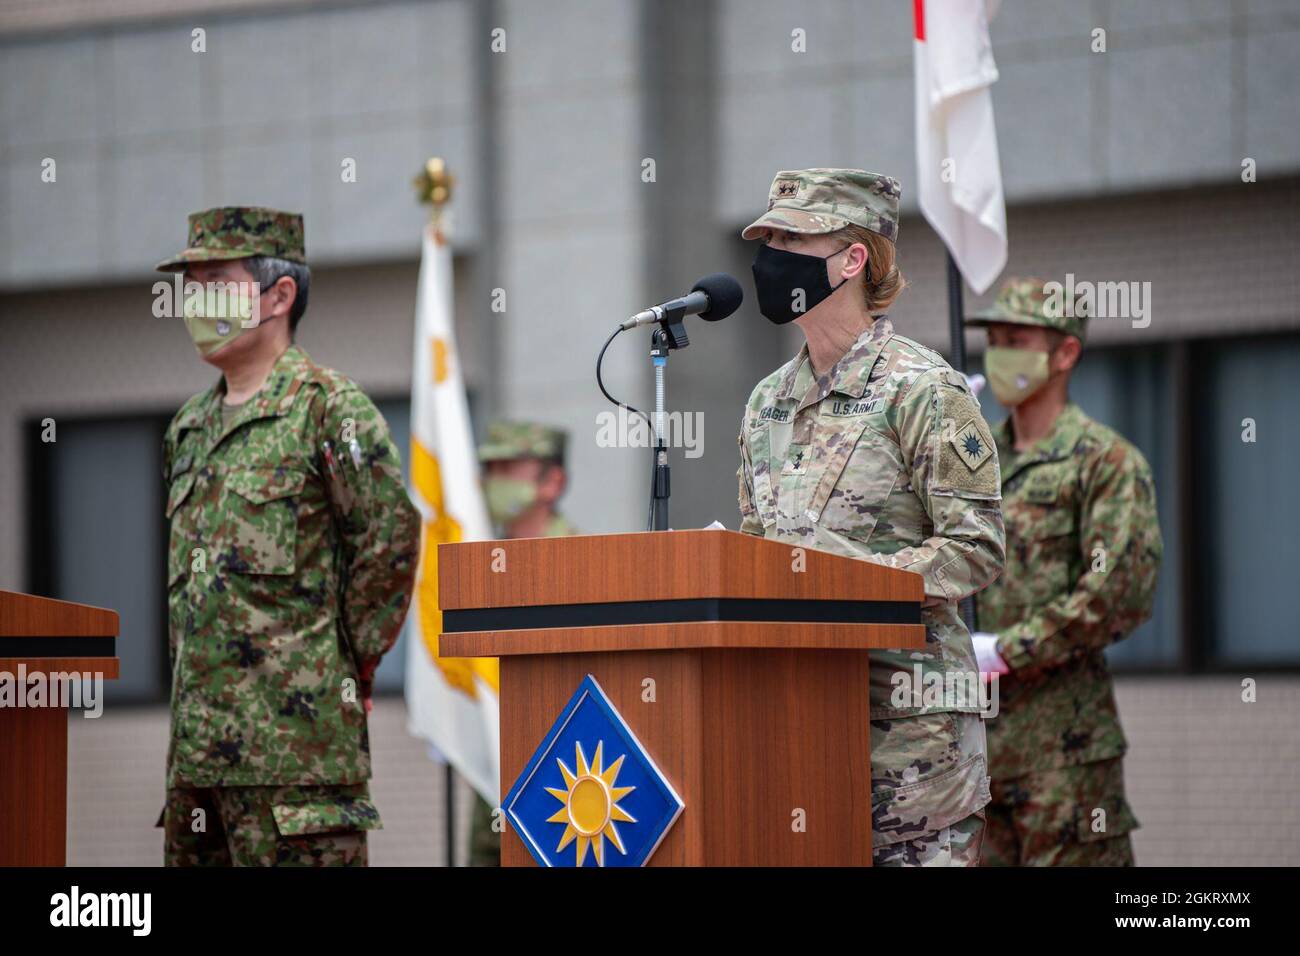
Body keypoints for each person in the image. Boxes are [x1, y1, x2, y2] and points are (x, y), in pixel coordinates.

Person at [736, 169, 1005, 866]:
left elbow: (975, 550)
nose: (770, 257)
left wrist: (842, 581)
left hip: (911, 746)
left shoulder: (923, 390)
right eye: (767, 239)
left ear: (853, 258)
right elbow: (757, 548)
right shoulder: (767, 401)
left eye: (792, 239)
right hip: (797, 729)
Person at [155, 206, 421, 866]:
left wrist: (340, 662)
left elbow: (388, 540)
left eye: (214, 280)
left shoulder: (328, 407)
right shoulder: (188, 428)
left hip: (295, 760)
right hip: (198, 763)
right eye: (191, 285)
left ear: (279, 295)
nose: (195, 300)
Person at [965, 277, 1163, 866]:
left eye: (1017, 339)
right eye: (994, 339)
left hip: (1063, 752)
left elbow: (1117, 594)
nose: (1000, 354)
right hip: (974, 749)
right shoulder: (974, 460)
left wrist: (1006, 650)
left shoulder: (1104, 462)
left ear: (1065, 353)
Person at [468, 421, 578, 865]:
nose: (493, 483)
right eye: (489, 470)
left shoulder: (585, 565)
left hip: (564, 767)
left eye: (507, 470)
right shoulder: (481, 566)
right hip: (491, 759)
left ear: (551, 482)